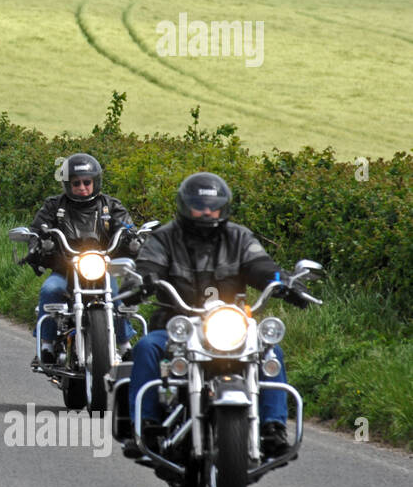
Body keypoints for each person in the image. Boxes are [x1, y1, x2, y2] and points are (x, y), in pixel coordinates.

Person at [123, 172, 314, 460]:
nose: (207, 212)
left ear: (224, 207)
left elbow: (261, 265)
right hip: (179, 325)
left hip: (230, 325)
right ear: (185, 206)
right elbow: (146, 265)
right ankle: (146, 427)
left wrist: (284, 281)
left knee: (271, 352)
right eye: (199, 206)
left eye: (213, 206)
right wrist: (141, 280)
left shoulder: (238, 237)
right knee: (148, 347)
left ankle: (272, 428)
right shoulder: (165, 237)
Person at [23, 153, 138, 366]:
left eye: (87, 182)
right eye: (76, 183)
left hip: (101, 269)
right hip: (65, 269)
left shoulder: (110, 206)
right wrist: (37, 242)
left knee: (115, 295)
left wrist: (131, 237)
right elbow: (36, 230)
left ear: (96, 182)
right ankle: (46, 345)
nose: (83, 187)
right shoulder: (54, 206)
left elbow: (127, 226)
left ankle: (124, 345)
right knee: (50, 290)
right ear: (68, 184)